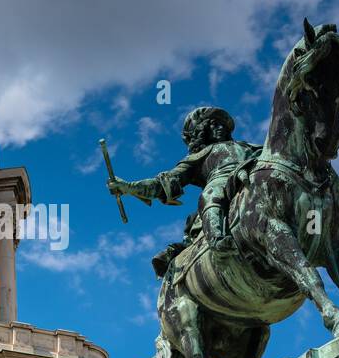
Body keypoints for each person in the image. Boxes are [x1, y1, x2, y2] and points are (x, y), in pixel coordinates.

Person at [106, 106, 259, 276]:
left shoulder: (248, 147)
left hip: (255, 176)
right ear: (202, 131)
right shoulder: (199, 156)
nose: (220, 128)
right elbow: (163, 182)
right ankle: (217, 239)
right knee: (211, 194)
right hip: (221, 184)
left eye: (222, 125)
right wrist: (129, 187)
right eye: (214, 124)